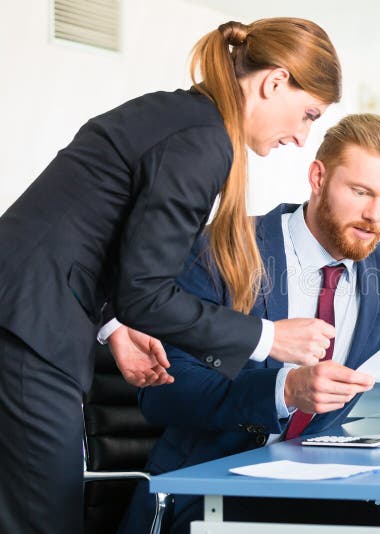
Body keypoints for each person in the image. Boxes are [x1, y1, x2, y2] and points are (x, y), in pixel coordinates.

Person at [0, 18, 343, 533]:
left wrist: (112, 328)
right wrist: (269, 337)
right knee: (43, 521)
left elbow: (82, 234)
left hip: (27, 317)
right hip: (28, 332)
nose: (302, 137)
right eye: (308, 114)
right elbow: (147, 291)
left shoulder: (180, 116)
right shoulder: (202, 141)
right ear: (274, 82)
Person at [117, 114, 380, 533]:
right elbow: (164, 395)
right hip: (208, 491)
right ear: (318, 177)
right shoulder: (226, 249)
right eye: (360, 192)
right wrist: (284, 390)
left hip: (319, 489)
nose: (376, 215)